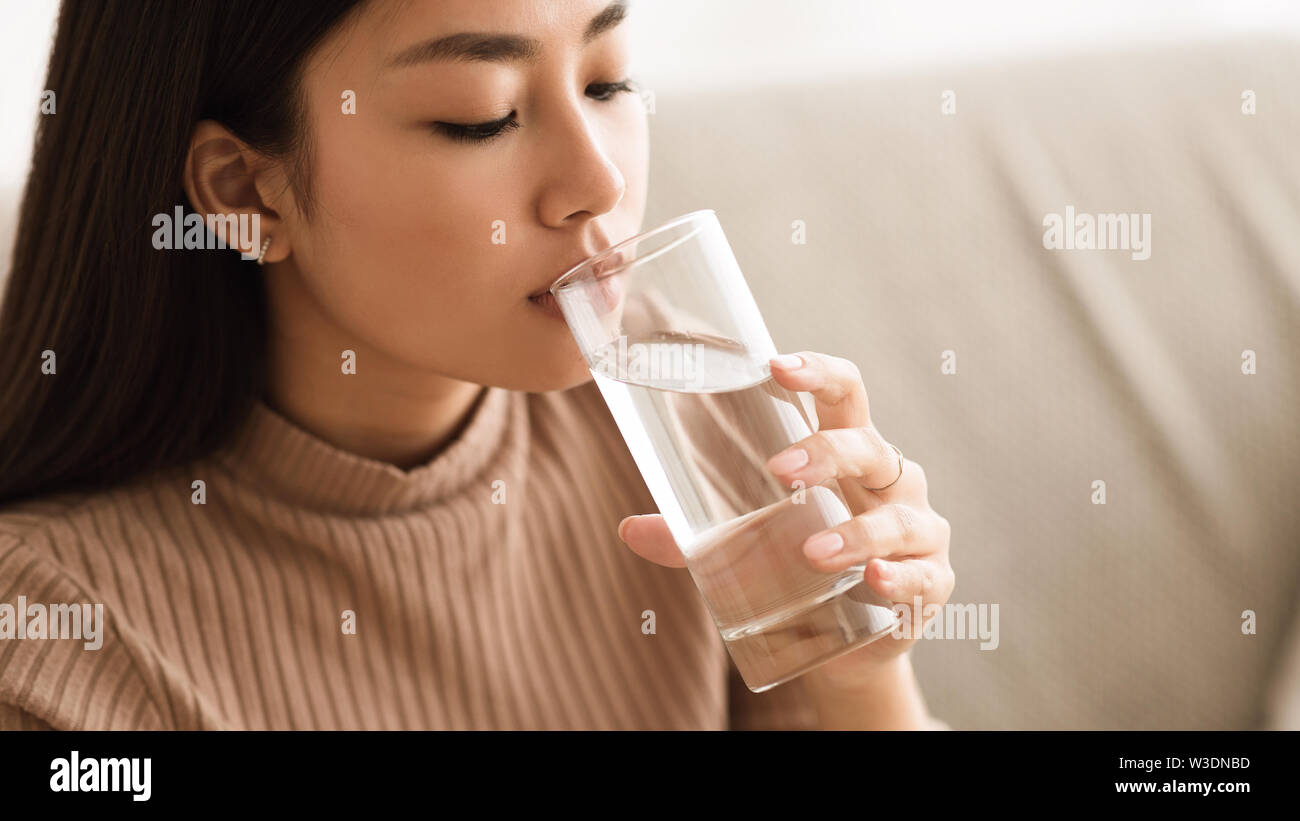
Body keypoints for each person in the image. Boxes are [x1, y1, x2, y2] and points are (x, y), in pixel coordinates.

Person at [0, 0, 953, 730]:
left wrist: (862, 680)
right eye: (482, 117)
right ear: (247, 192)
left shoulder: (687, 402)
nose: (599, 183)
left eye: (607, 82)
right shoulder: (56, 635)